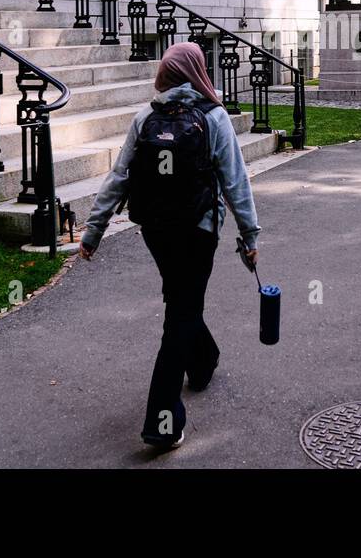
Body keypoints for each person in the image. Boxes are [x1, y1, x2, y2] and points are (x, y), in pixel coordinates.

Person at [78, 42, 260, 450]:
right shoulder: (213, 117)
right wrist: (250, 235)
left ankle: (204, 360)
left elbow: (119, 177)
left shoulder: (146, 117)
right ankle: (161, 422)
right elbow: (235, 181)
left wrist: (93, 232)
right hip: (198, 229)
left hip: (156, 230)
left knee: (181, 299)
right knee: (181, 312)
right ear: (197, 71)